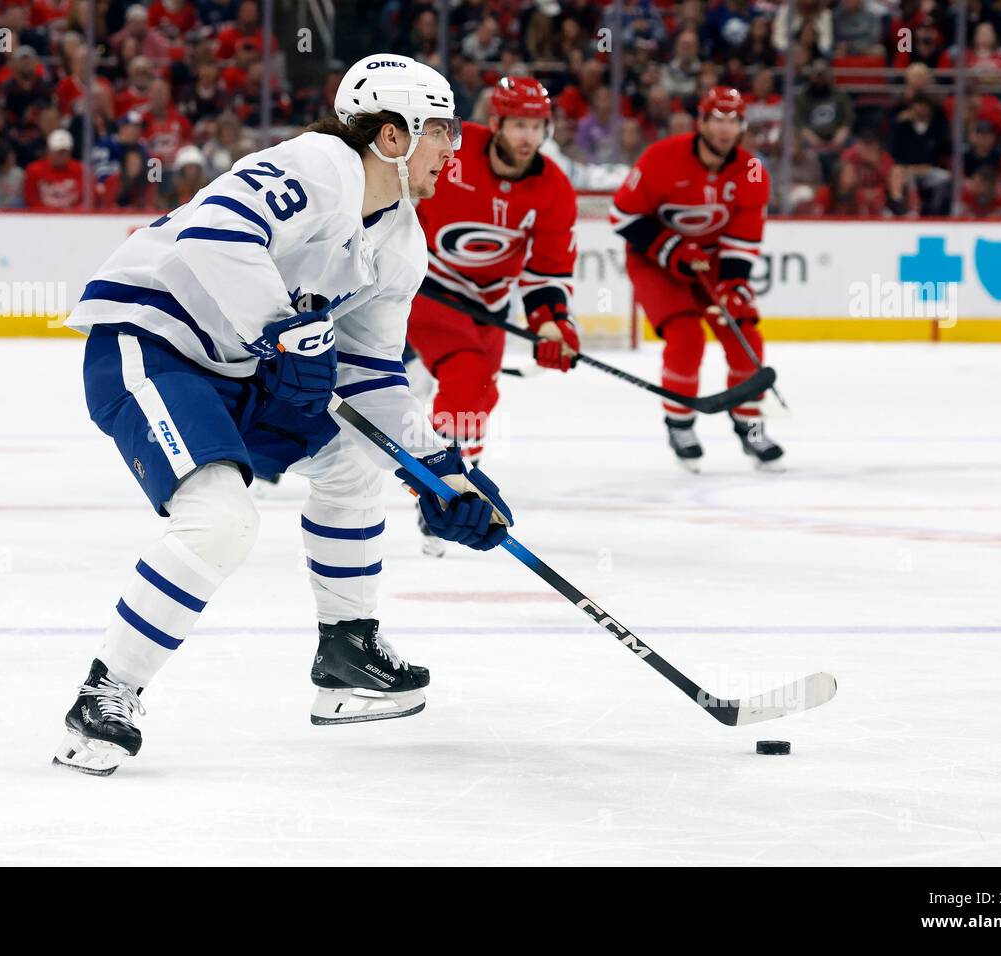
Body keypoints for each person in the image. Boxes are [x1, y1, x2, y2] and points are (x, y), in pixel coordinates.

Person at [54, 54, 513, 775]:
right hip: (157, 342)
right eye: (443, 129)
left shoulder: (402, 242)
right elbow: (215, 233)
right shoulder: (319, 164)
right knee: (221, 522)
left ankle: (346, 653)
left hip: (247, 372)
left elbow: (372, 375)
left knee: (358, 458)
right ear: (392, 136)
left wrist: (441, 470)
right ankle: (105, 692)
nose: (455, 148)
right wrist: (284, 326)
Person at [406, 76, 578, 555]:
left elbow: (549, 268)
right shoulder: (453, 152)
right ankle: (437, 494)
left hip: (490, 304)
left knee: (478, 398)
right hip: (433, 289)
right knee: (470, 376)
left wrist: (551, 324)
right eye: (518, 124)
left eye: (537, 126)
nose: (528, 136)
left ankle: (458, 493)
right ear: (497, 121)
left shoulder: (555, 189)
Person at [610, 86, 783, 472]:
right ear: (701, 121)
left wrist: (735, 281)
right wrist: (670, 248)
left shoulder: (752, 170)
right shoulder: (661, 157)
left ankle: (750, 426)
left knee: (745, 332)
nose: (725, 129)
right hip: (655, 261)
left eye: (734, 121)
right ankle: (680, 423)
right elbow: (622, 215)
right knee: (686, 337)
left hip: (714, 262)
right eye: (717, 119)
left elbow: (744, 234)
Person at [23, 127, 86, 210]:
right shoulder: (34, 170)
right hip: (43, 219)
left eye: (65, 151)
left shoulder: (81, 170)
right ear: (48, 151)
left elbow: (86, 201)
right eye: (58, 152)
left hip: (73, 218)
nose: (62, 155)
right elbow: (31, 201)